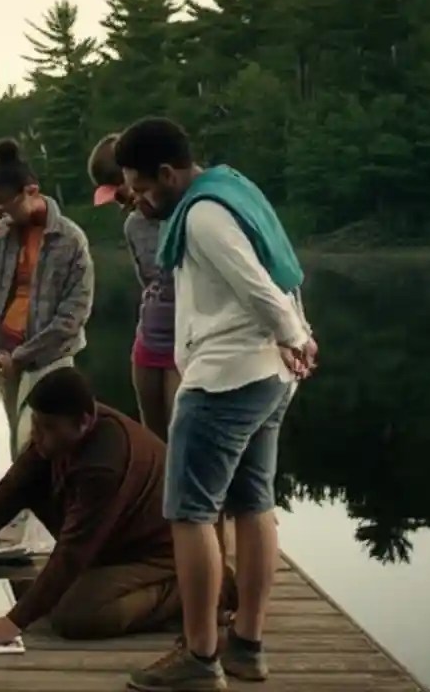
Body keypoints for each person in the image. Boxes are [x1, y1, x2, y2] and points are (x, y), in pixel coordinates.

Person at [112, 118, 317, 692]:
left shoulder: (200, 214)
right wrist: (296, 332)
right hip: (267, 376)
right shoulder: (233, 187)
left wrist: (293, 334)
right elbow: (283, 269)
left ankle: (200, 655)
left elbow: (255, 281)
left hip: (226, 379)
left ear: (169, 174)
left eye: (144, 186)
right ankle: (247, 644)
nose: (140, 199)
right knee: (254, 502)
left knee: (190, 513)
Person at [0, 367, 180, 643]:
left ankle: (181, 593)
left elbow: (73, 552)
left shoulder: (103, 465)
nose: (37, 435)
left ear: (84, 422)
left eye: (48, 427)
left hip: (155, 556)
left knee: (74, 616)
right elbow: (6, 494)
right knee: (31, 485)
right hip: (108, 546)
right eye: (35, 424)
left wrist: (15, 621)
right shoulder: (56, 437)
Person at [0, 138, 94, 551]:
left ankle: (50, 533)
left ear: (31, 191)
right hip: (6, 357)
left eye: (6, 206)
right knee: (19, 444)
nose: (1, 215)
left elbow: (73, 316)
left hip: (48, 358)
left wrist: (21, 356)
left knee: (42, 440)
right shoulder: (2, 238)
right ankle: (30, 523)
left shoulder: (71, 240)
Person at [88, 133, 179, 441]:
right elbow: (149, 283)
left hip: (188, 342)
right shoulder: (134, 226)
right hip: (150, 339)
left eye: (122, 193)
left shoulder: (187, 215)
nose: (123, 203)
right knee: (153, 441)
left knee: (182, 438)